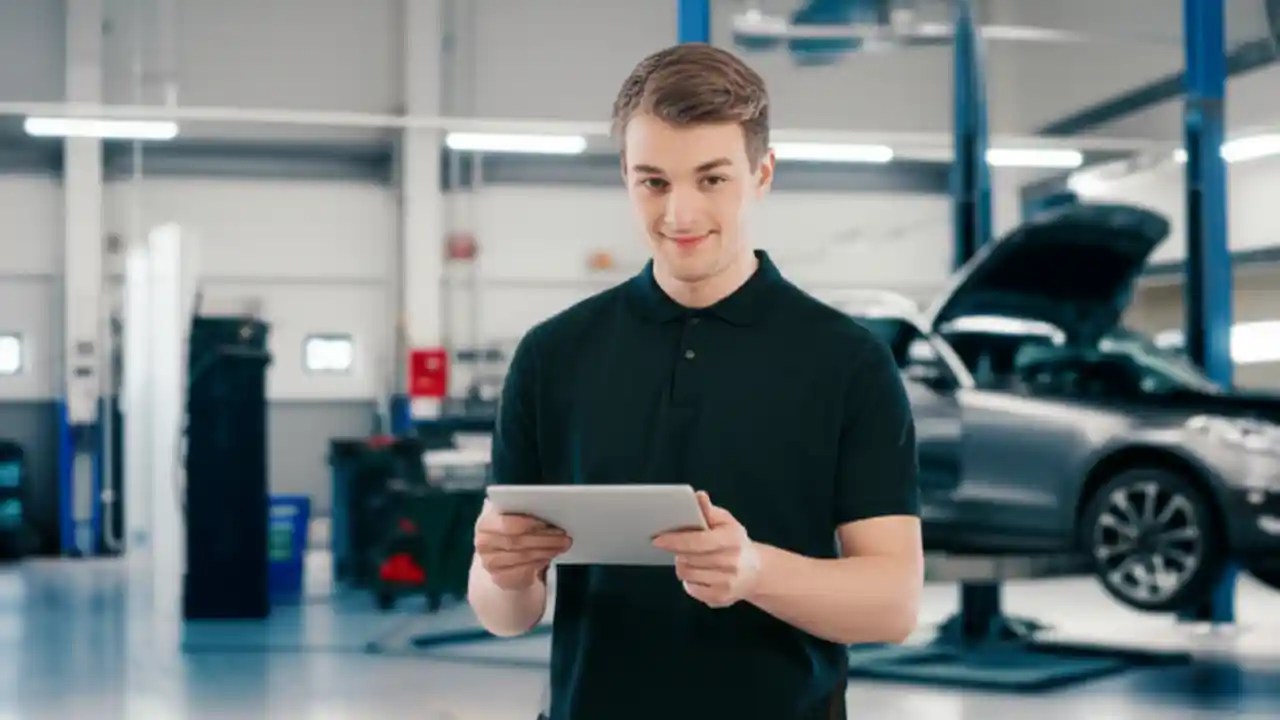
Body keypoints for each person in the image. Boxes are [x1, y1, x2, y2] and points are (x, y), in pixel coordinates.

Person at [467, 43, 923, 720]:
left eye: (711, 180)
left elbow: (893, 603)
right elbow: (507, 614)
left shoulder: (847, 361)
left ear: (761, 173)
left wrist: (755, 572)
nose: (679, 214)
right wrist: (502, 573)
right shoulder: (552, 356)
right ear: (625, 175)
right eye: (653, 181)